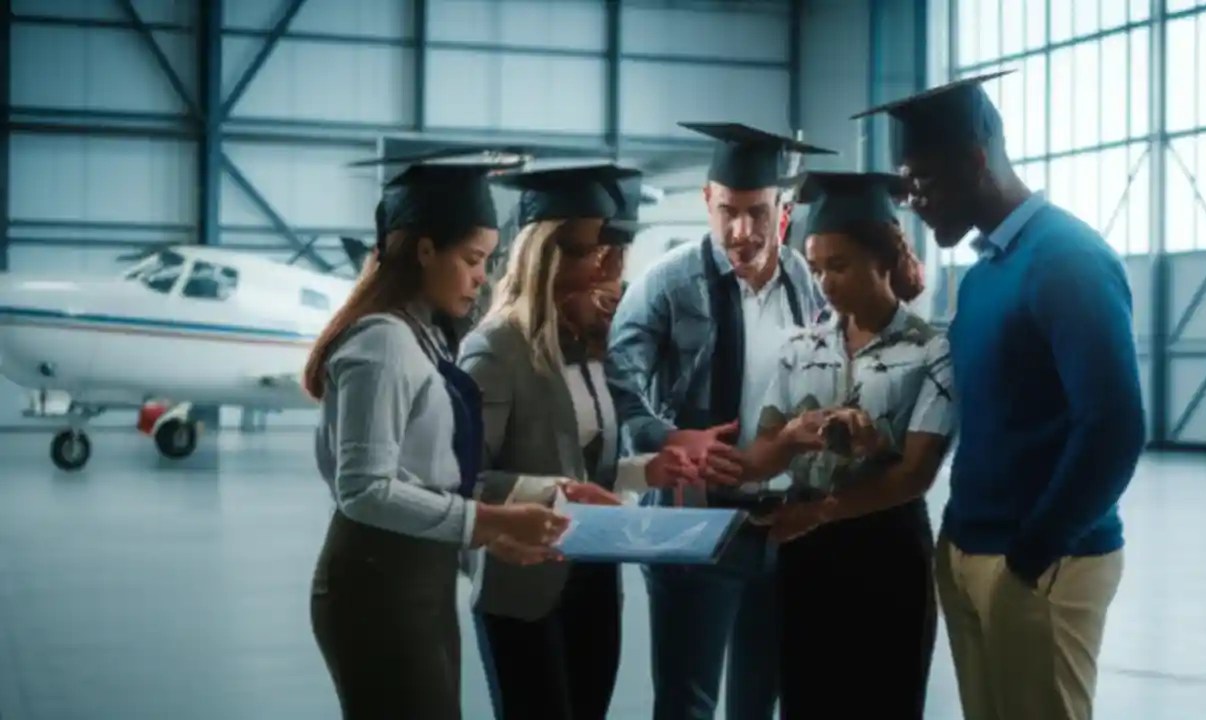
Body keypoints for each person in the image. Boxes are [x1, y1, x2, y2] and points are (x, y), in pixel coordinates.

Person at [851, 72, 1147, 719]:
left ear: (976, 162)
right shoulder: (984, 279)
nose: (915, 204)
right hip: (970, 551)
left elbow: (1116, 426)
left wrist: (1035, 552)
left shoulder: (1067, 260)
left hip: (1043, 564)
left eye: (923, 182)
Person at [304, 158, 573, 720]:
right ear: (424, 251)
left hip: (417, 577)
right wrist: (491, 521)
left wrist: (484, 539)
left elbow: (423, 476)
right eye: (472, 260)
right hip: (377, 583)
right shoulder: (381, 344)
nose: (483, 277)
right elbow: (365, 490)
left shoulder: (421, 337)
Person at [458, 164, 701, 720]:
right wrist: (553, 490)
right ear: (544, 255)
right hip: (523, 582)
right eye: (590, 254)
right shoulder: (495, 350)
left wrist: (648, 471)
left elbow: (589, 469)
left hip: (593, 576)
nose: (605, 271)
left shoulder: (591, 348)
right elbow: (463, 481)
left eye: (609, 254)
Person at [606, 122, 832, 720]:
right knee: (687, 701)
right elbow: (618, 379)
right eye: (728, 210)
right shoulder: (667, 284)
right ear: (707, 199)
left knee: (760, 699)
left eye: (758, 212)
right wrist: (662, 436)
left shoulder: (804, 283)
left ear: (781, 207)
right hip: (693, 522)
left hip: (776, 523)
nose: (742, 231)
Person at [733, 172, 954, 719]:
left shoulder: (932, 351)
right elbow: (757, 461)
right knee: (807, 700)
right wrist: (789, 436)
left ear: (882, 259)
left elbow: (915, 473)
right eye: (815, 268)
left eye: (839, 265)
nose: (825, 283)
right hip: (807, 553)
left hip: (888, 549)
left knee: (887, 699)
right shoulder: (799, 348)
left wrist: (829, 503)